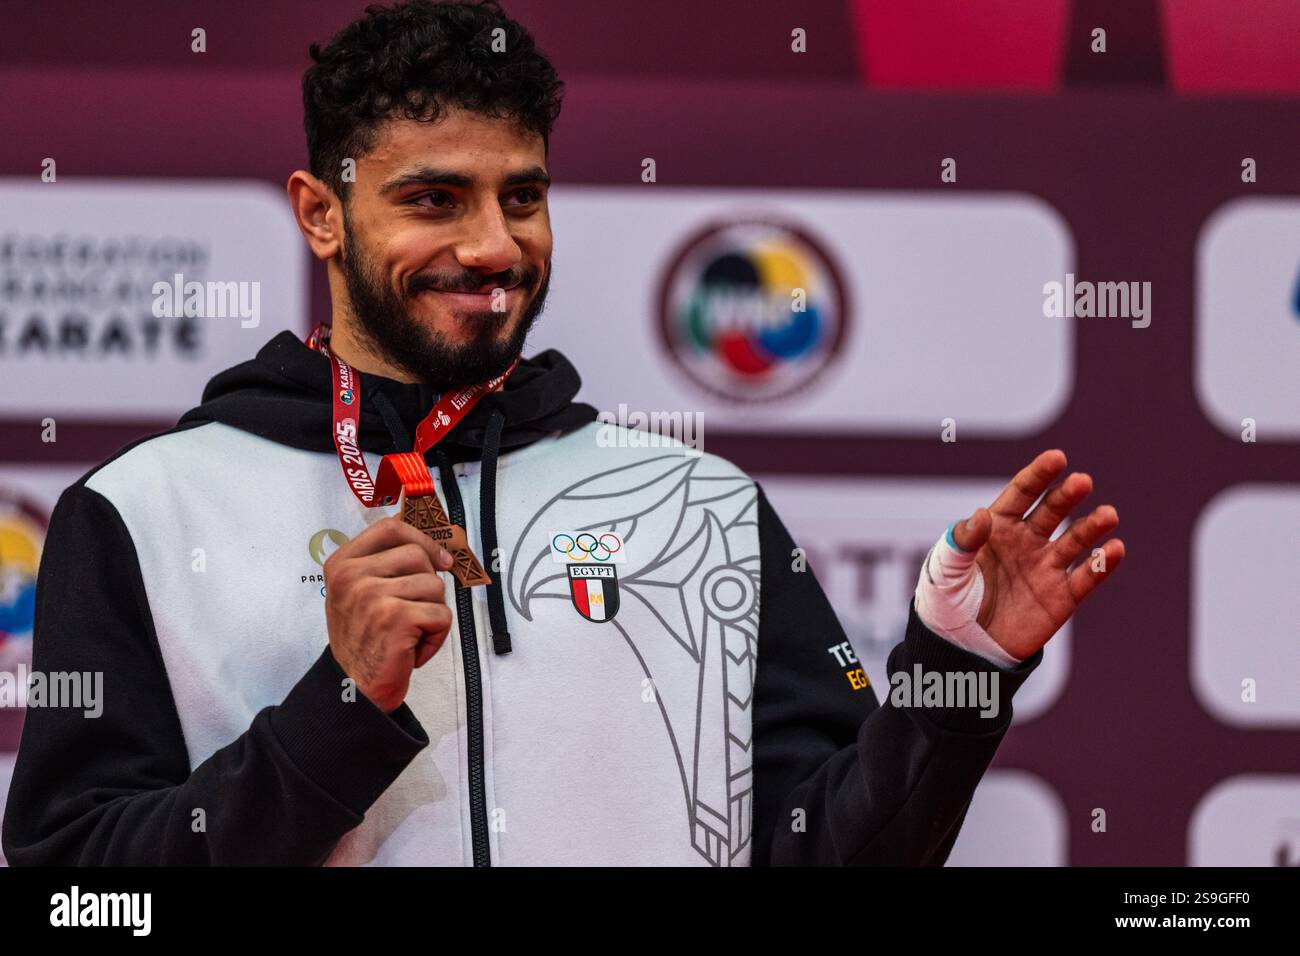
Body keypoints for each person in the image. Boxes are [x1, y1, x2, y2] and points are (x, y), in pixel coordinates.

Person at [1, 0, 1123, 866]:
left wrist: (958, 668)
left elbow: (830, 850)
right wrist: (335, 707)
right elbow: (83, 894)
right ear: (320, 211)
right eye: (435, 199)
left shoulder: (700, 508)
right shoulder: (145, 510)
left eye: (521, 197)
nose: (492, 245)